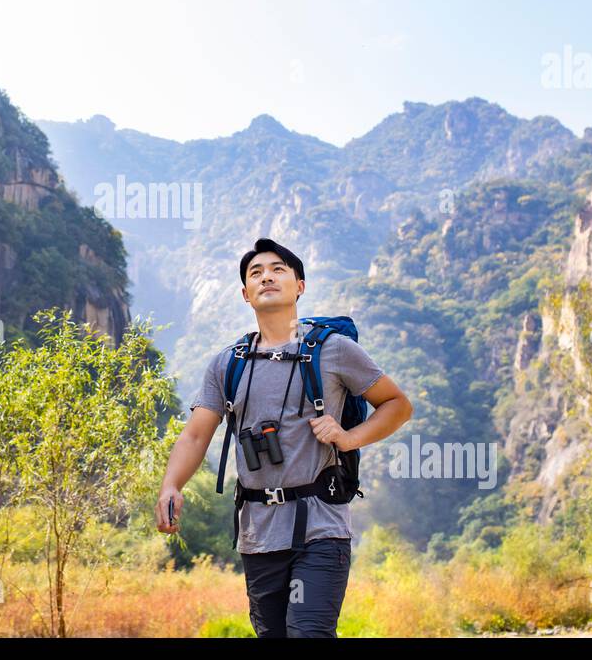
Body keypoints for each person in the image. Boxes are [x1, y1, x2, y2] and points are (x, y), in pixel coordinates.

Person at [156, 237, 413, 637]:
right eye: (256, 273)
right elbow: (195, 436)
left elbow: (397, 404)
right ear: (245, 294)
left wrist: (348, 437)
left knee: (308, 632)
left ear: (300, 286)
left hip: (321, 527)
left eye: (278, 269)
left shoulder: (334, 350)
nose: (267, 277)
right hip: (258, 533)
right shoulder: (228, 364)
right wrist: (171, 485)